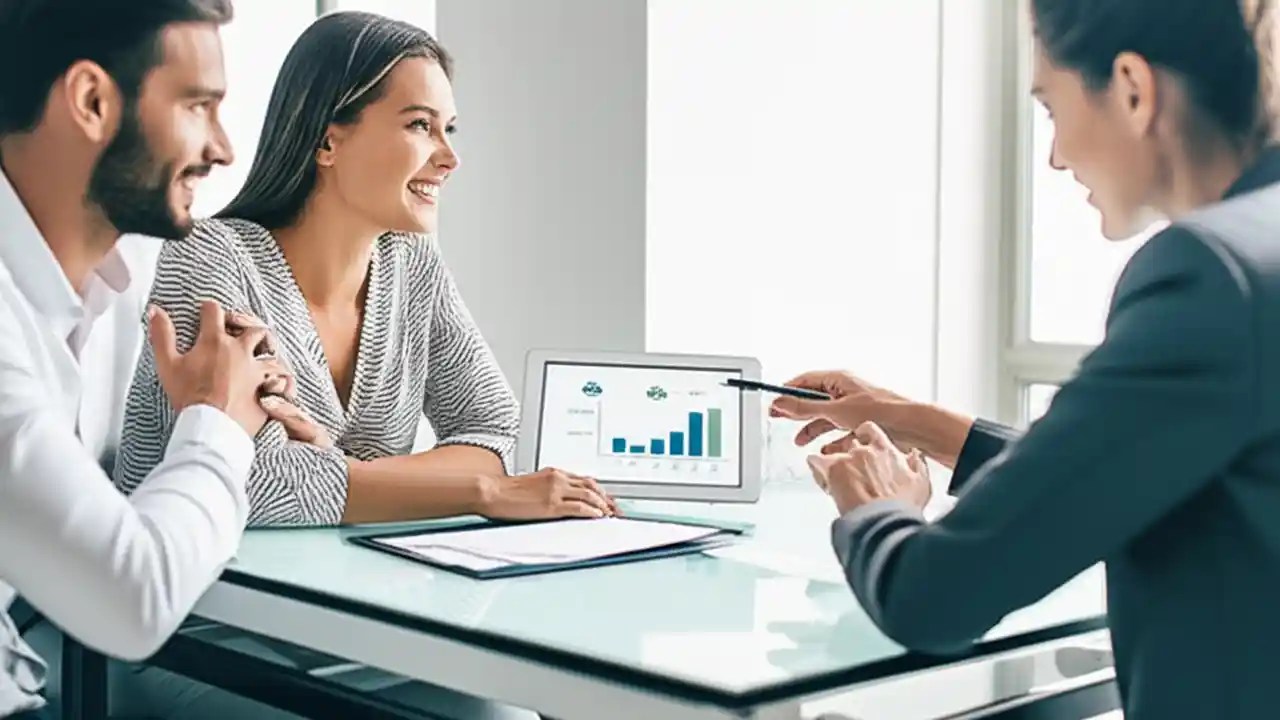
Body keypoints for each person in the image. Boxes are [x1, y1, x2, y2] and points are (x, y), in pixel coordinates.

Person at [770, 1, 1280, 718]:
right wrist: (908, 420)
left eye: (1050, 109)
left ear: (1132, 89)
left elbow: (934, 598)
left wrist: (874, 506)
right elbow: (1153, 464)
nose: (1058, 155)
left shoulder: (1208, 273)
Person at [114, 11, 616, 529]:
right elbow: (252, 481)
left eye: (450, 129)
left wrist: (335, 472)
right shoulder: (207, 257)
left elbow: (493, 429)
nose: (449, 158)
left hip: (354, 586)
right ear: (329, 141)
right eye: (421, 125)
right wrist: (481, 491)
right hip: (199, 594)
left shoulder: (411, 264)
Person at [0, 0, 291, 717]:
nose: (224, 149)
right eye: (199, 106)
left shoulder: (104, 287)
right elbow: (131, 597)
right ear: (93, 102)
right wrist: (216, 424)